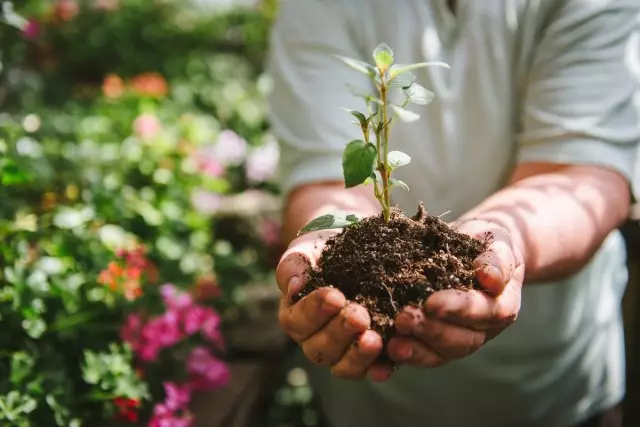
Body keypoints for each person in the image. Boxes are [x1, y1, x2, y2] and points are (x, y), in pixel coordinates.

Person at [267, 1, 640, 426]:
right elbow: (330, 178)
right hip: (372, 401)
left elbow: (580, 173)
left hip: (555, 391)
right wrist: (328, 234)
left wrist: (496, 240)